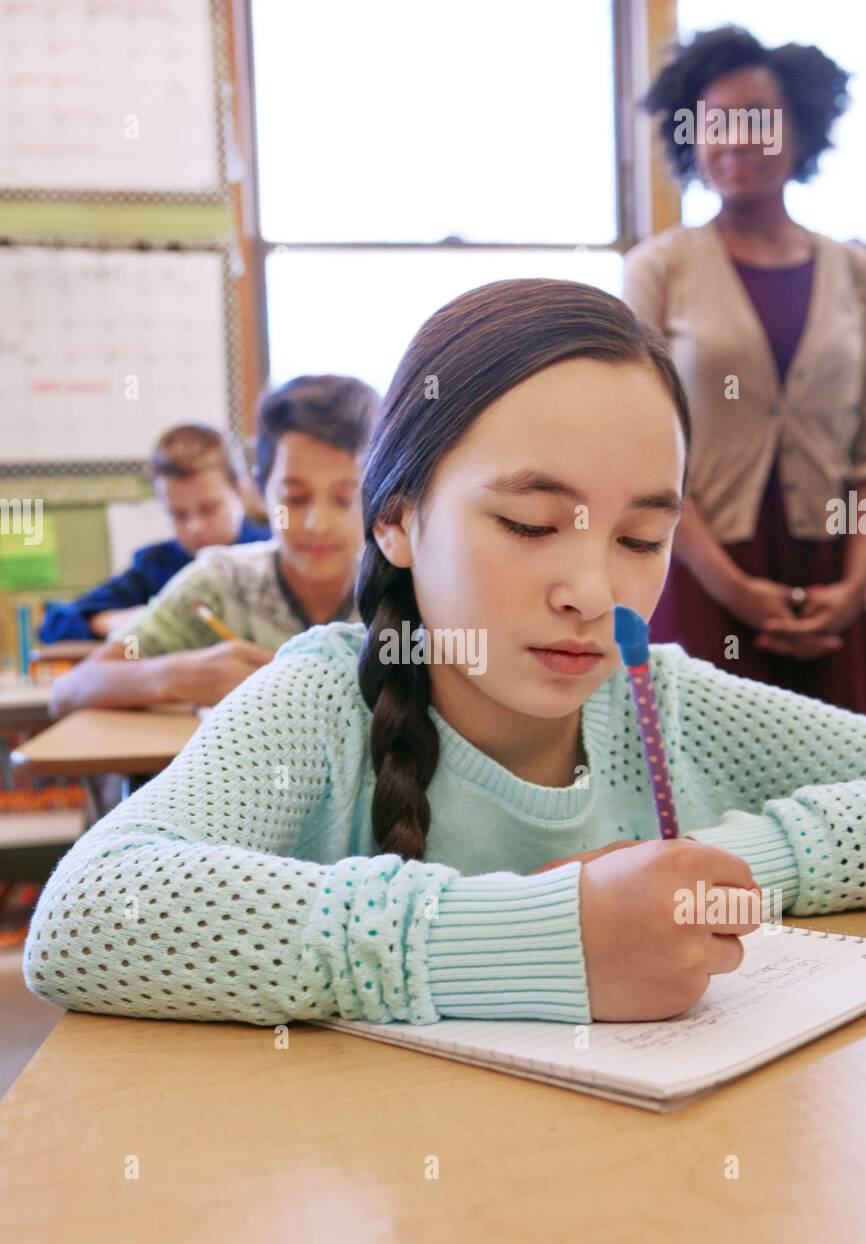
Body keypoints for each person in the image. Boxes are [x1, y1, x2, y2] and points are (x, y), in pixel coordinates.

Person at [24, 280, 866, 1030]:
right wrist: (545, 933)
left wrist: (711, 877)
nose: (592, 591)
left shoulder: (665, 701)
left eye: (642, 538)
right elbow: (85, 913)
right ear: (394, 520)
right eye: (529, 525)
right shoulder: (323, 700)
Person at [623, 26, 866, 710]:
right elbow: (644, 446)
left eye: (758, 119)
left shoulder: (854, 273)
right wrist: (735, 590)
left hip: (835, 581)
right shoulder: (659, 270)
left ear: (802, 130)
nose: (735, 139)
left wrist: (854, 590)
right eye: (714, 122)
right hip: (701, 570)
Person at [48, 375, 380, 717]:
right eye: (295, 499)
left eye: (345, 498)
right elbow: (69, 690)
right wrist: (184, 675)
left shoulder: (403, 589)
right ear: (258, 491)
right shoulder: (219, 583)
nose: (318, 524)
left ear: (378, 493)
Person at [38, 424, 270, 643]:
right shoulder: (156, 565)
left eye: (209, 509)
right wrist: (115, 621)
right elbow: (56, 623)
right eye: (178, 514)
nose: (194, 527)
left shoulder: (272, 556)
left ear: (240, 491)